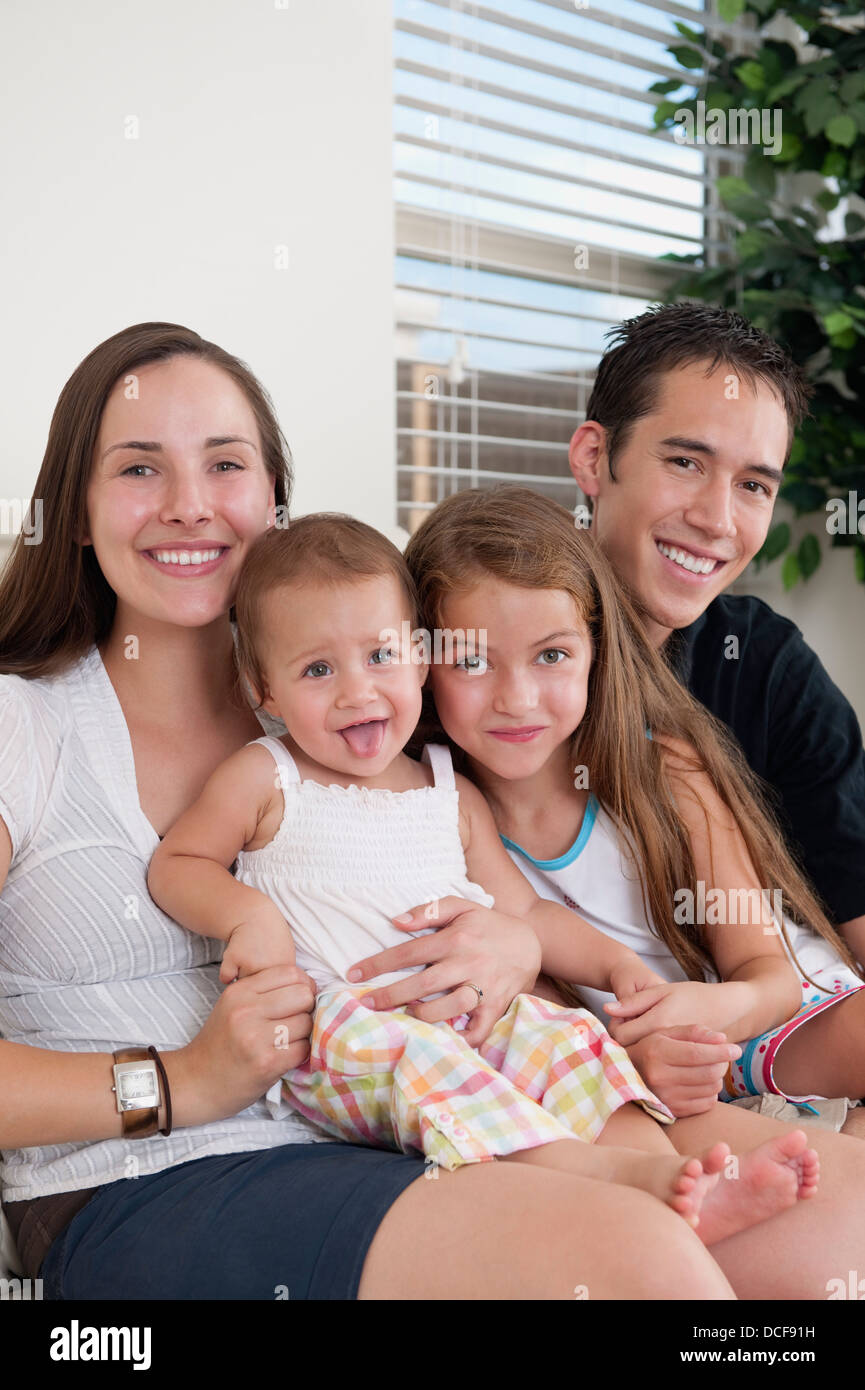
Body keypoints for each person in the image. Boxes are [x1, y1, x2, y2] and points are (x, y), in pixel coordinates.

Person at [0, 321, 736, 1302]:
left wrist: (513, 948)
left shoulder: (363, 713)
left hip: (386, 1121)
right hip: (150, 1177)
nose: (188, 505)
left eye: (225, 463)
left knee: (822, 1228)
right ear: (78, 513)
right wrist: (178, 1079)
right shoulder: (22, 722)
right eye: (139, 468)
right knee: (637, 1263)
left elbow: (492, 897)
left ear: (273, 500)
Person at [145, 512, 818, 1245]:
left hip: (465, 1025)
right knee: (428, 1060)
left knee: (563, 1038)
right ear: (262, 689)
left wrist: (616, 966)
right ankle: (616, 1188)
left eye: (380, 656)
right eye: (317, 670)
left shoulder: (447, 792)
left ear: (418, 659)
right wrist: (247, 916)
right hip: (338, 1036)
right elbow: (177, 864)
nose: (356, 692)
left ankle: (666, 1180)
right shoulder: (265, 777)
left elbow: (526, 913)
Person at [339, 480, 865, 1299]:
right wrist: (645, 1046)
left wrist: (699, 1015)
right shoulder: (436, 818)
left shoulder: (666, 770)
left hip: (769, 1019)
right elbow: (537, 1028)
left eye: (551, 655)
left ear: (594, 652)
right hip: (645, 1075)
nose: (516, 699)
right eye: (472, 660)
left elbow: (769, 976)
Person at [567, 303, 865, 990]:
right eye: (683, 461)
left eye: (753, 485)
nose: (715, 520)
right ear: (592, 458)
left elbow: (852, 895)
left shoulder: (762, 662)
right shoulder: (483, 645)